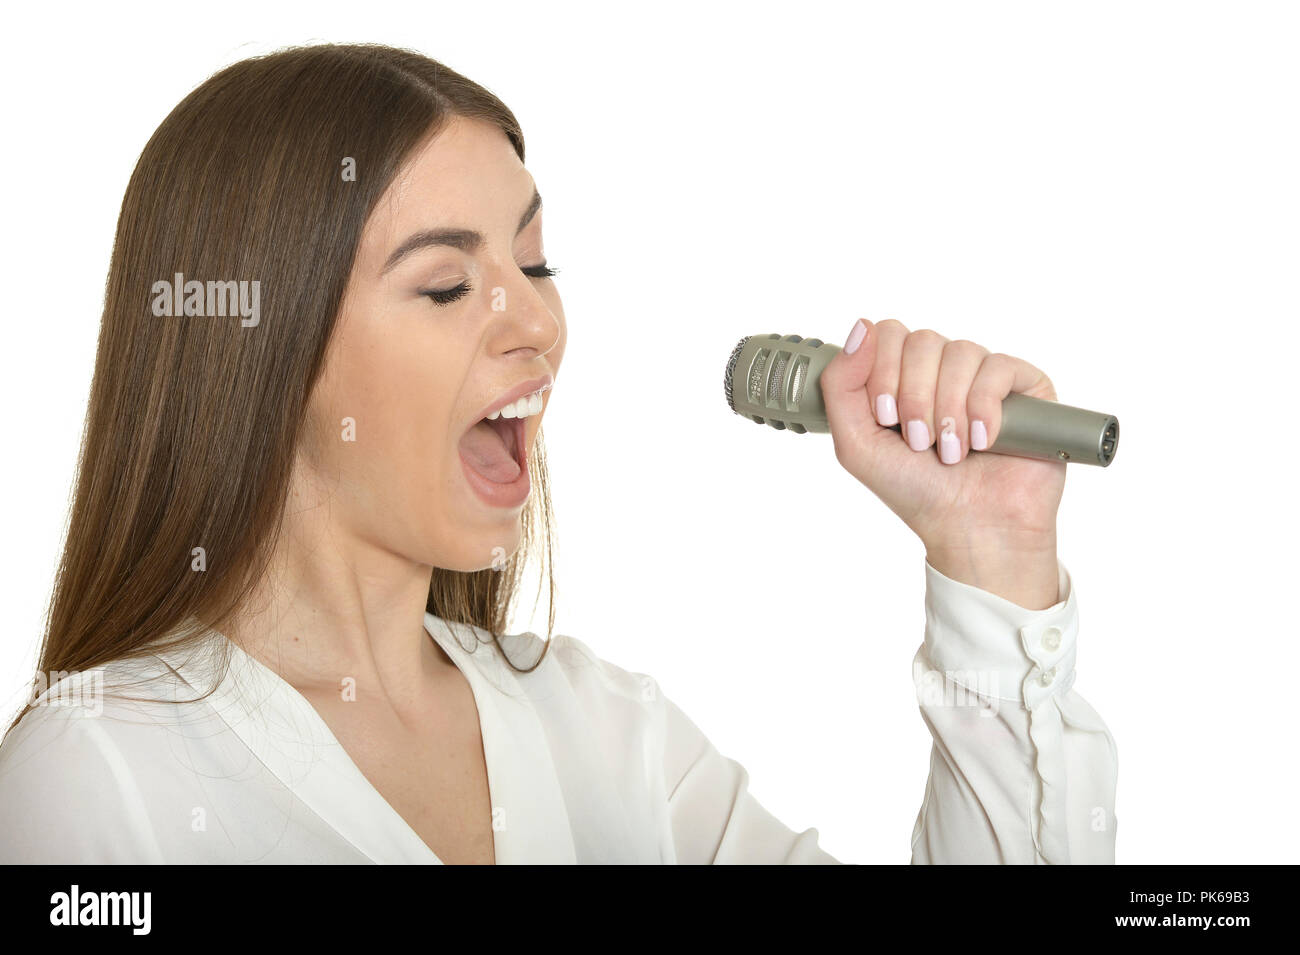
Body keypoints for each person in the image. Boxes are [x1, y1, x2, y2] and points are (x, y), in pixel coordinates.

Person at [0, 43, 1116, 864]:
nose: (536, 325)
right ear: (260, 352)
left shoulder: (604, 734)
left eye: (536, 266)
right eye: (445, 284)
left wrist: (990, 553)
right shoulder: (102, 778)